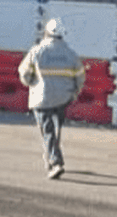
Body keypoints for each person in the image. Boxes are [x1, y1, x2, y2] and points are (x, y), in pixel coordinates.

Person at [18, 18, 85, 180]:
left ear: (46, 32)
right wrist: (75, 93)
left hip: (42, 98)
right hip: (63, 98)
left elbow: (24, 73)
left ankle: (56, 163)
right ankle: (51, 156)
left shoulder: (37, 51)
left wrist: (31, 83)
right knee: (54, 130)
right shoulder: (71, 54)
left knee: (47, 132)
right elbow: (80, 77)